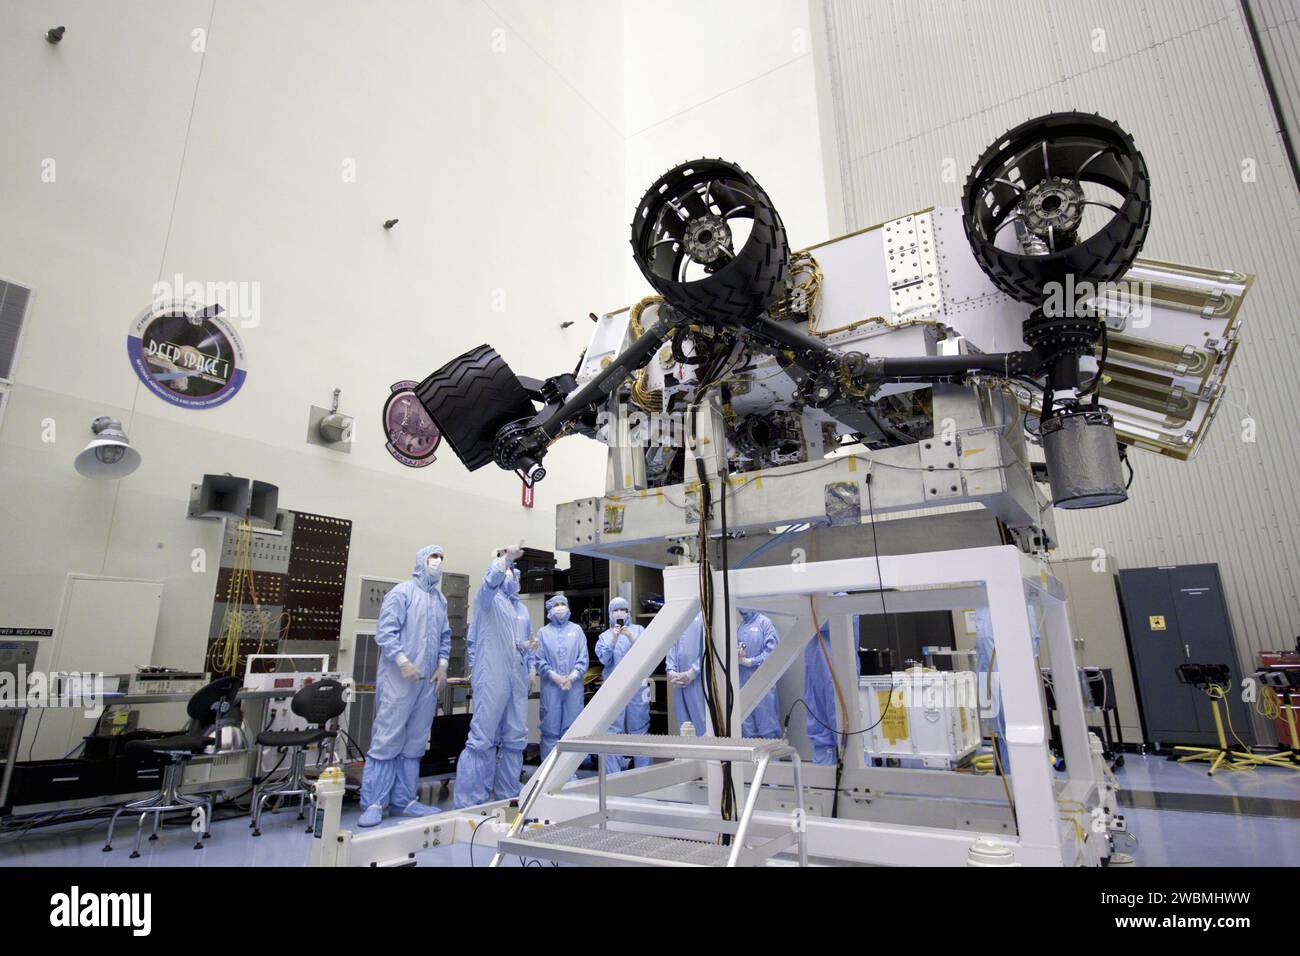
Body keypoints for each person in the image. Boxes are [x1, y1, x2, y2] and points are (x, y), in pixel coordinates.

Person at [357, 545, 450, 827]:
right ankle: (374, 803)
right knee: (388, 739)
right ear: (421, 561)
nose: (438, 562)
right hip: (399, 680)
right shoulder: (402, 593)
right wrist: (402, 660)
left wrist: (443, 666)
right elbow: (385, 632)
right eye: (434, 557)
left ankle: (405, 800)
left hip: (427, 683)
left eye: (442, 558)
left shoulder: (440, 600)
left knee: (414, 743)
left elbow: (445, 636)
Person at [453, 546, 533, 808]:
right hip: (492, 676)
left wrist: (524, 650)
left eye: (515, 573)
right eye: (511, 572)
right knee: (483, 737)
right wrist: (505, 560)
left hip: (514, 677)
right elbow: (491, 582)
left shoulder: (516, 609)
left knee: (514, 736)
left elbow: (511, 643)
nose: (514, 578)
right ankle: (471, 801)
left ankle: (508, 792)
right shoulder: (487, 598)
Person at [594, 597, 651, 772]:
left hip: (638, 686)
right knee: (612, 729)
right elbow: (604, 659)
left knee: (639, 728)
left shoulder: (639, 630)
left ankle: (642, 773)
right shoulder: (605, 636)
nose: (620, 613)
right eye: (616, 610)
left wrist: (631, 637)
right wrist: (613, 639)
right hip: (613, 687)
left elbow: (648, 652)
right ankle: (613, 774)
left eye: (623, 609)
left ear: (628, 612)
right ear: (610, 613)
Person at [534, 593, 588, 761]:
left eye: (562, 604)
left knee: (571, 731)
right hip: (552, 687)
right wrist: (555, 677)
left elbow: (583, 657)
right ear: (550, 609)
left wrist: (572, 676)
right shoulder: (543, 633)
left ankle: (567, 774)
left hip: (573, 687)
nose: (560, 607)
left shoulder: (576, 630)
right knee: (550, 731)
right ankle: (547, 775)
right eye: (556, 604)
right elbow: (539, 659)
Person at [805, 616, 861, 765]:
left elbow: (819, 622)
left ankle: (854, 778)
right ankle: (823, 777)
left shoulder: (841, 600)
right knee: (819, 724)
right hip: (815, 674)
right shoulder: (813, 604)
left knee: (844, 725)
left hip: (838, 675)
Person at [737, 608, 781, 738]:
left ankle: (772, 759)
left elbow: (774, 652)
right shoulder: (738, 627)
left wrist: (751, 661)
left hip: (763, 682)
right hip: (742, 683)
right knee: (746, 726)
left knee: (767, 725)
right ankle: (750, 758)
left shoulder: (764, 623)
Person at [666, 613, 708, 733]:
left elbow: (708, 649)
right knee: (683, 725)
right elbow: (671, 644)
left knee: (701, 723)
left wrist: (691, 673)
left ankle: (703, 752)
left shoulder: (704, 615)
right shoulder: (678, 615)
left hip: (698, 681)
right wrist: (671, 671)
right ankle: (685, 752)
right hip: (678, 682)